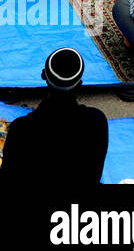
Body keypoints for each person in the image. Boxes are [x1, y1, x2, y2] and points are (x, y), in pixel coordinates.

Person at [0, 48, 107, 184]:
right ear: (79, 85)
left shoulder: (22, 128)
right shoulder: (96, 121)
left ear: (44, 75)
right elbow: (94, 174)